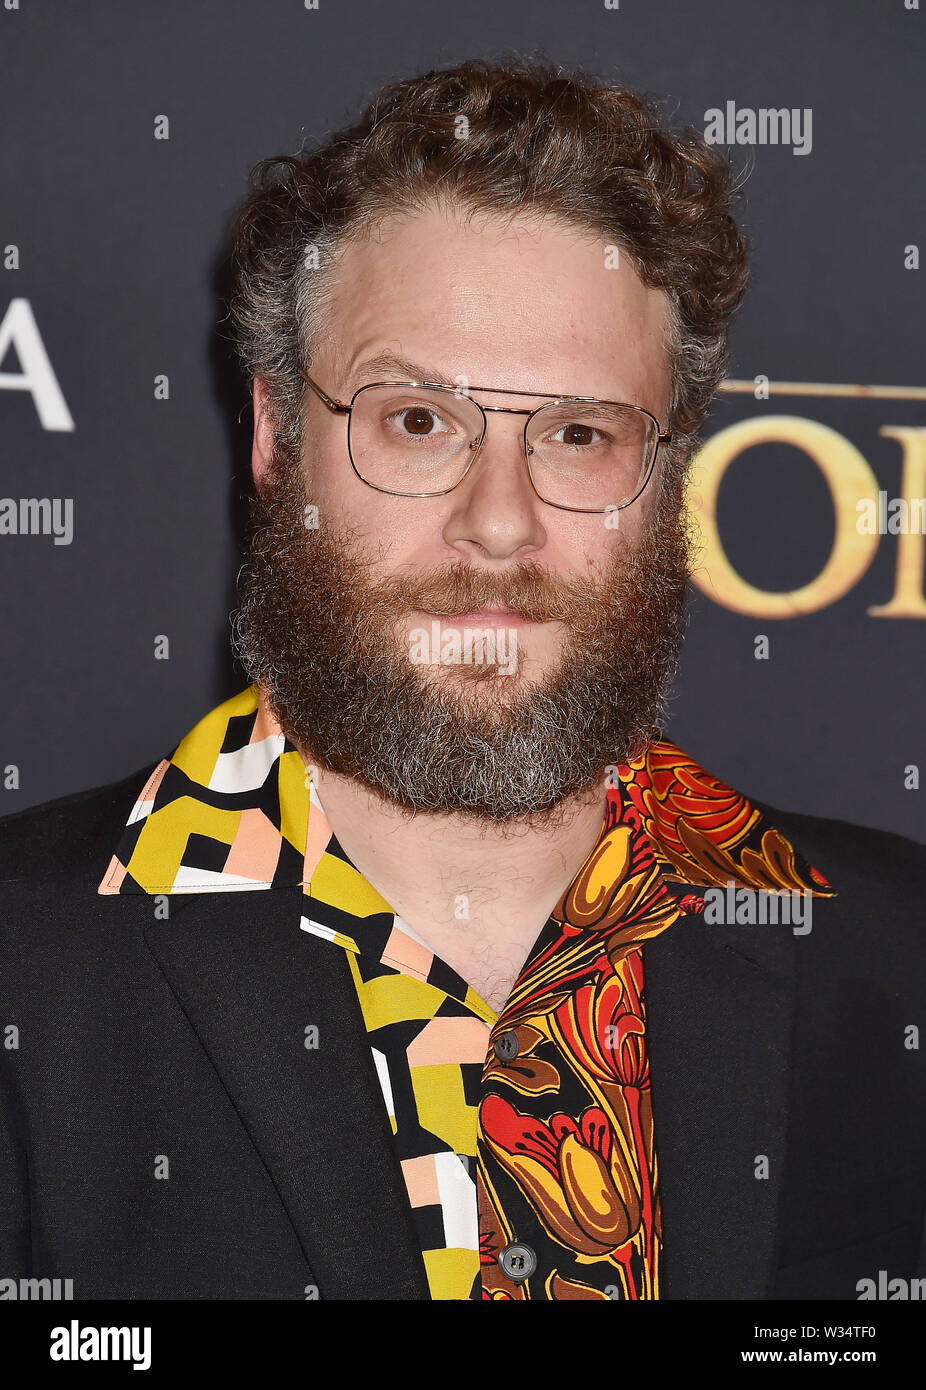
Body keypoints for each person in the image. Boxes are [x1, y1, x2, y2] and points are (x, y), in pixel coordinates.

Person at [1, 57, 924, 1303]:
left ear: (665, 478)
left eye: (580, 434)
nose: (498, 525)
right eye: (418, 422)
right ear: (276, 436)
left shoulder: (892, 962)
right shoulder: (26, 972)